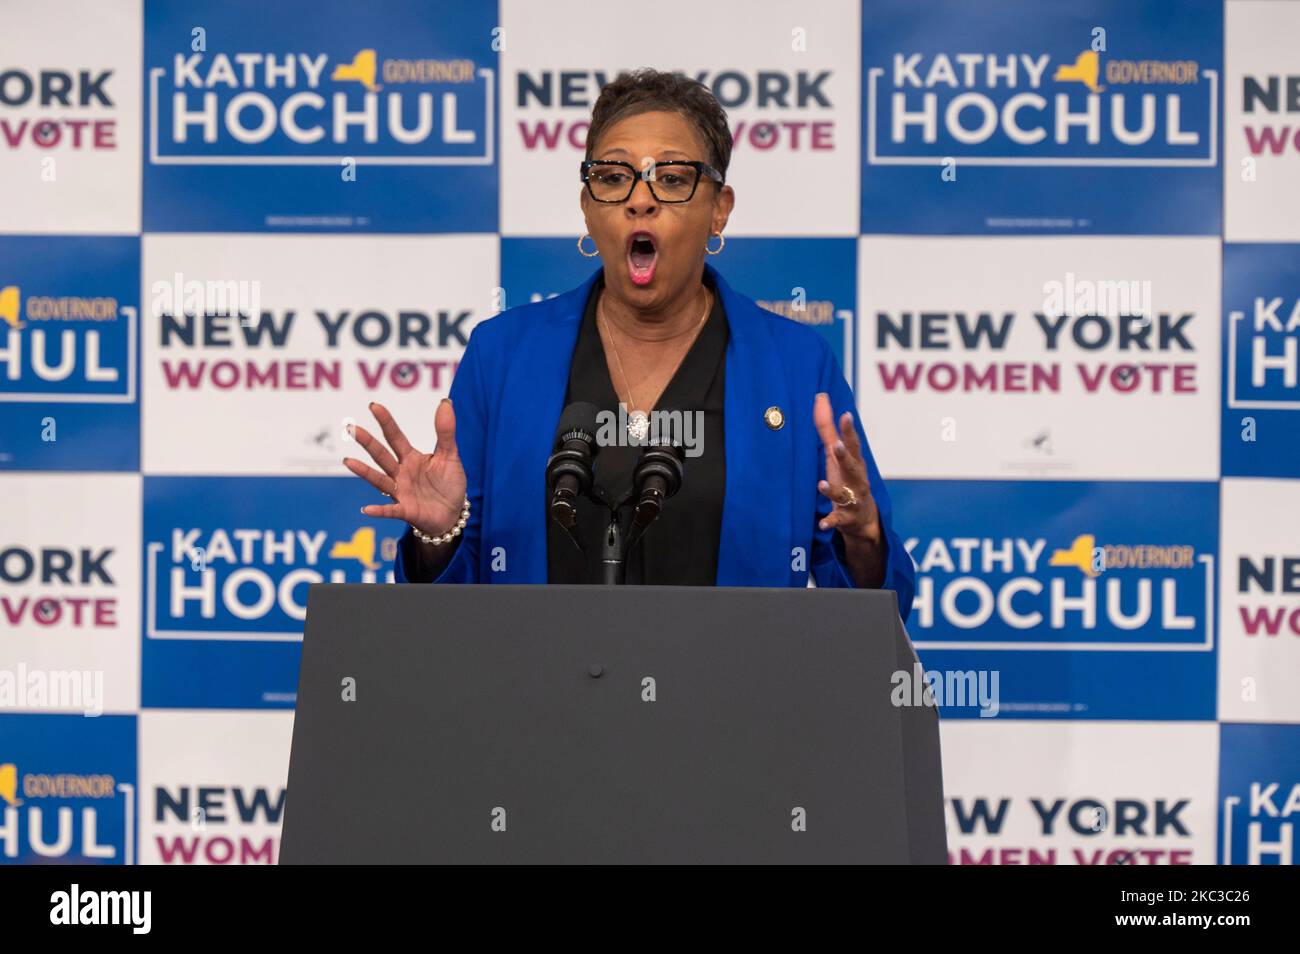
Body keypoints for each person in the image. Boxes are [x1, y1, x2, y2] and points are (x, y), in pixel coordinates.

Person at [343, 68, 915, 620]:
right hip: (535, 705)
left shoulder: (793, 365)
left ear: (720, 209)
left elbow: (879, 610)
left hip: (735, 706)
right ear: (588, 208)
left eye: (671, 178)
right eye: (614, 178)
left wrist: (864, 537)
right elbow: (451, 606)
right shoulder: (503, 355)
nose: (640, 200)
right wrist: (438, 533)